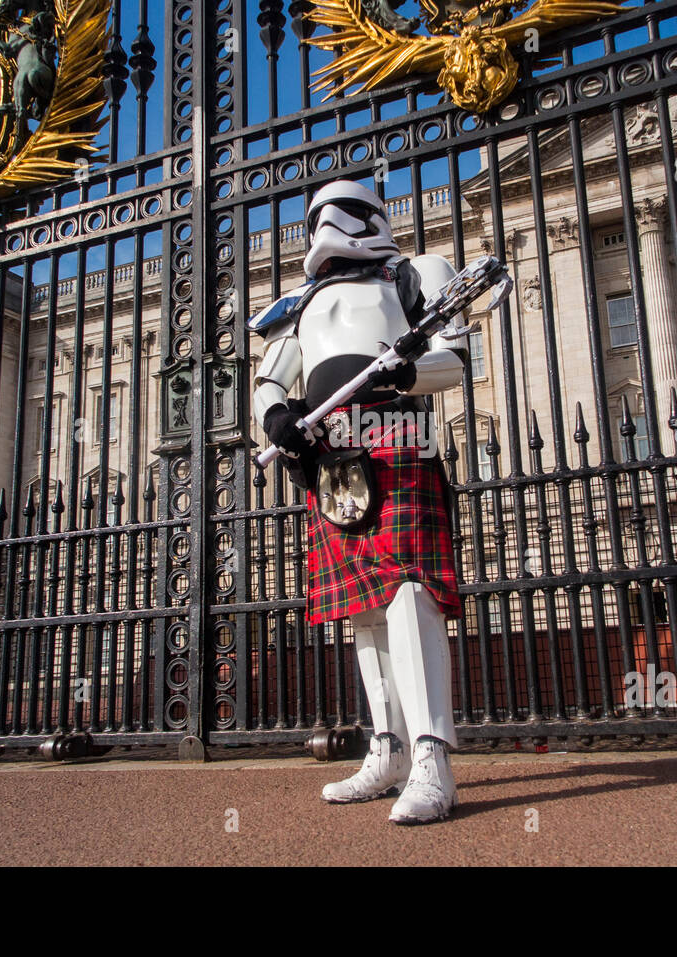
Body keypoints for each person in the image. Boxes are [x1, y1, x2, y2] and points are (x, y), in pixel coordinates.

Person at [248, 179, 467, 824]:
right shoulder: (298, 303)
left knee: (408, 590)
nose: (329, 226)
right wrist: (277, 421)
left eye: (342, 213)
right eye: (319, 216)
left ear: (374, 214)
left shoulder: (418, 273)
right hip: (331, 454)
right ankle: (388, 747)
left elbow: (455, 360)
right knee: (364, 609)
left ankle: (434, 757)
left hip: (398, 435)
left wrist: (406, 372)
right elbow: (269, 379)